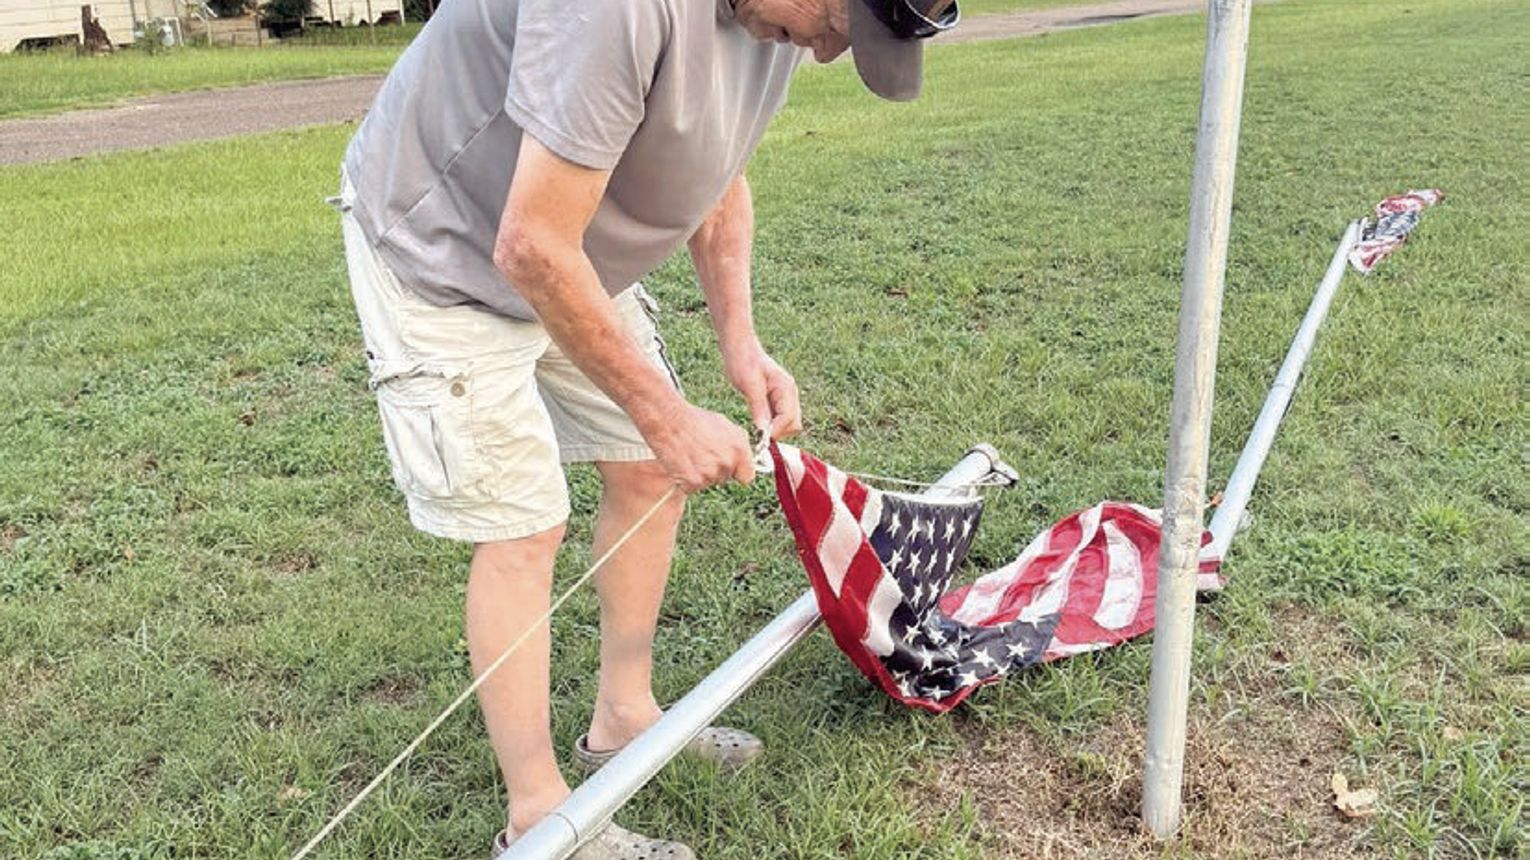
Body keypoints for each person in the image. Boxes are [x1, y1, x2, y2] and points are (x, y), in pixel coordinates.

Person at [336, 0, 960, 855]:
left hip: (567, 242)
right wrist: (665, 415)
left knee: (646, 468)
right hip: (446, 250)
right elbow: (529, 248)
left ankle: (624, 718)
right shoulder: (616, 10)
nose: (821, 55)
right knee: (525, 526)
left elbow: (714, 177)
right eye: (835, 28)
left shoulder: (771, 20)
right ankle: (539, 818)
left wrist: (741, 344)